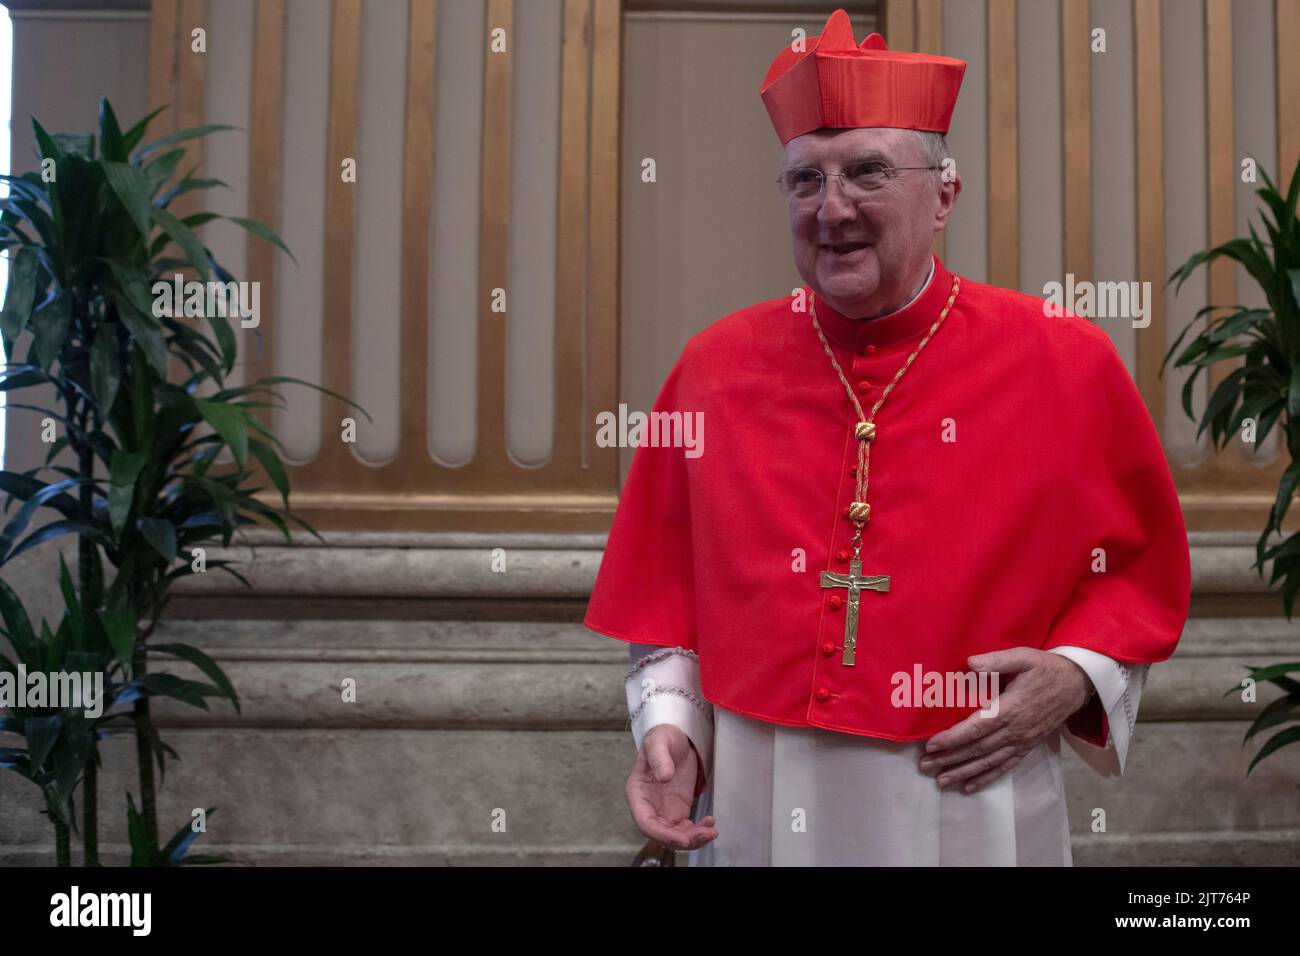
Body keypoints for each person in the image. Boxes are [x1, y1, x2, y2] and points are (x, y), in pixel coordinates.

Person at [585, 8, 1190, 866]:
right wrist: (673, 735)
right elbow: (665, 603)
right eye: (805, 181)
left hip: (970, 795)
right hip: (759, 792)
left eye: (867, 172)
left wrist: (1076, 676)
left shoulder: (1065, 358)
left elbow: (1135, 582)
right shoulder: (713, 368)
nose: (832, 209)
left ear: (944, 195)